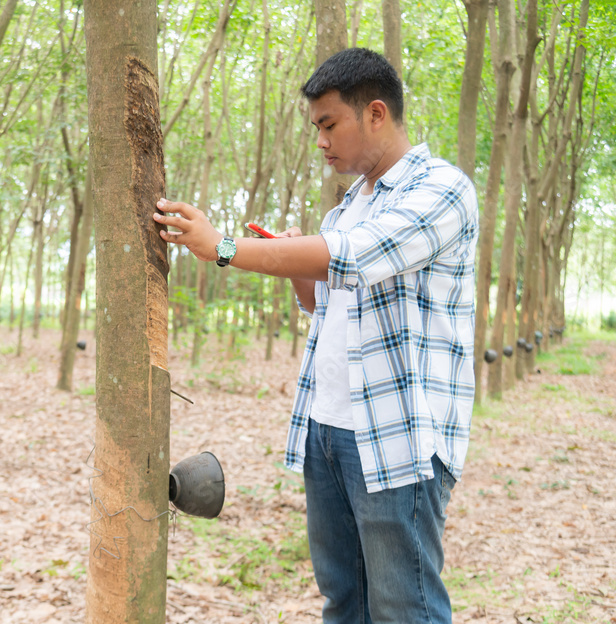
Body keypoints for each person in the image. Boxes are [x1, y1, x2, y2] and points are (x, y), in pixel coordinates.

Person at [154, 47, 478, 623]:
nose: (321, 141)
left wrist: (225, 247)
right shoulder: (347, 208)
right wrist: (298, 262)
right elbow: (322, 304)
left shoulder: (441, 189)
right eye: (315, 128)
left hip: (396, 436)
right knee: (344, 603)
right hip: (327, 431)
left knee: (405, 608)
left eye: (329, 124)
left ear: (375, 113)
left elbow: (354, 258)